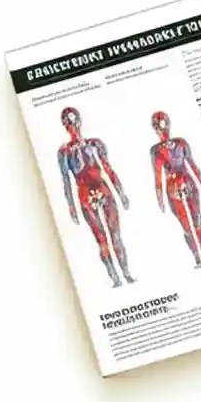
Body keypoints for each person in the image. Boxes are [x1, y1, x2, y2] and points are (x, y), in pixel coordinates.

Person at [58, 107, 133, 287]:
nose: (73, 125)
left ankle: (126, 273)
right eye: (68, 122)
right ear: (64, 125)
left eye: (74, 120)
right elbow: (66, 180)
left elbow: (108, 168)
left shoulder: (94, 144)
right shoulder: (64, 151)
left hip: (102, 188)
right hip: (84, 193)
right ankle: (115, 277)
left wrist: (121, 193)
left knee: (116, 236)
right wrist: (71, 207)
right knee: (101, 239)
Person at [149, 111, 201, 268]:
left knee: (197, 220)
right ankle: (197, 257)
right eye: (158, 127)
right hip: (173, 188)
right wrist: (160, 198)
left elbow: (192, 164)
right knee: (186, 225)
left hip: (188, 183)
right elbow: (158, 176)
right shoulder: (156, 151)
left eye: (163, 125)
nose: (162, 130)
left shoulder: (181, 143)